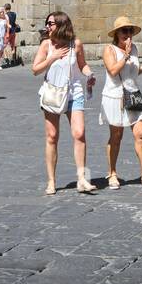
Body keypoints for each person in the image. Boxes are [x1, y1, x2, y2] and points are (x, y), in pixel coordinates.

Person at [32, 11, 97, 195]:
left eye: (51, 23)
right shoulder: (46, 45)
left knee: (79, 133)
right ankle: (51, 181)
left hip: (73, 93)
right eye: (47, 23)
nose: (48, 26)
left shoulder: (75, 44)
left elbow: (83, 64)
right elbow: (35, 70)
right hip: (52, 93)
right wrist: (52, 57)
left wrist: (89, 74)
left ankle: (82, 178)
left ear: (61, 25)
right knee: (52, 136)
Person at [100, 16, 142, 189]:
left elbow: (131, 74)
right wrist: (125, 55)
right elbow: (113, 71)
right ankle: (112, 173)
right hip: (114, 97)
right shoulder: (109, 50)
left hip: (133, 94)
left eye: (130, 31)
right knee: (116, 136)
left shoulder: (134, 48)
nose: (128, 34)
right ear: (116, 34)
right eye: (124, 31)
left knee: (140, 133)